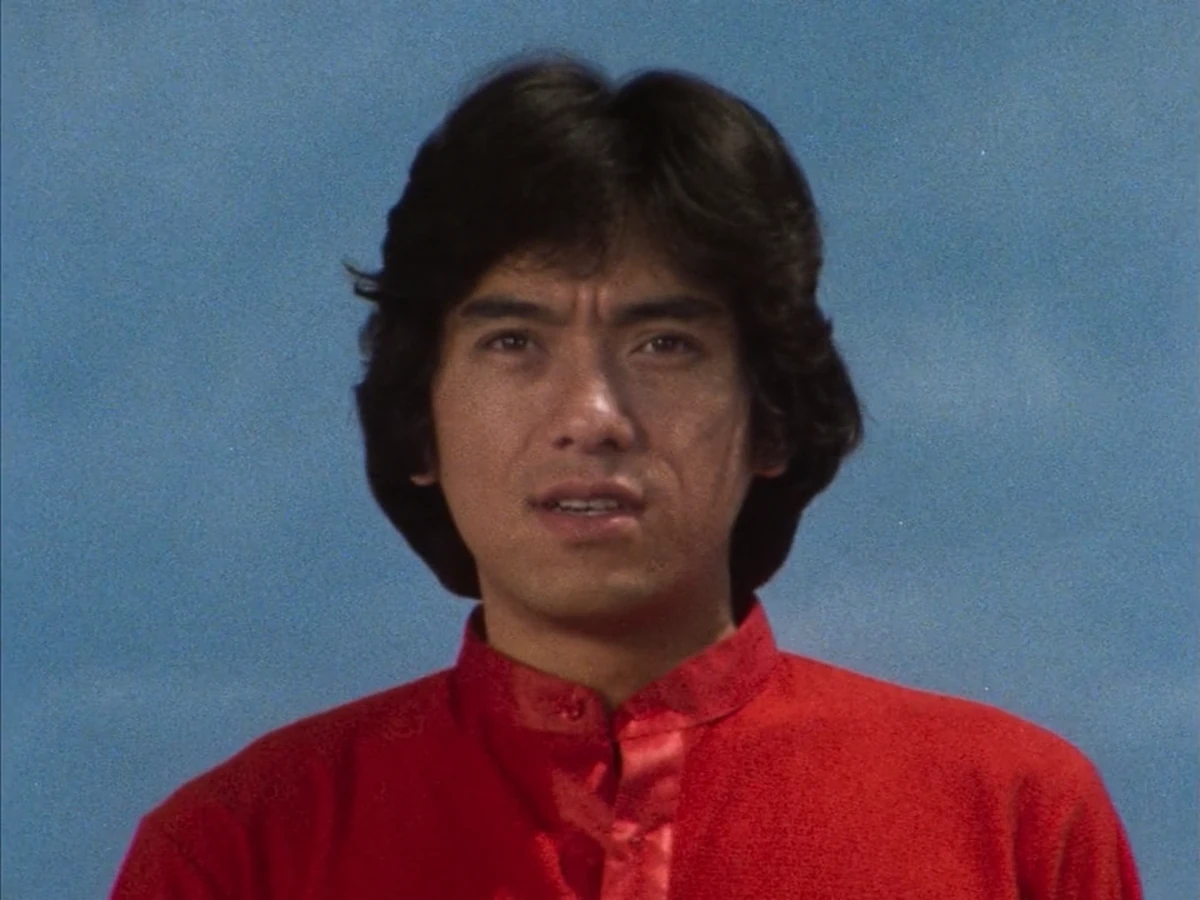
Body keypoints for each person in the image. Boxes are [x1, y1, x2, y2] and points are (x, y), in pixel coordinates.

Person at [110, 52, 1143, 899]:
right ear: (421, 426)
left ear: (773, 416)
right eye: (514, 343)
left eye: (664, 346)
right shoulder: (238, 853)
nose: (592, 418)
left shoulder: (1014, 822)